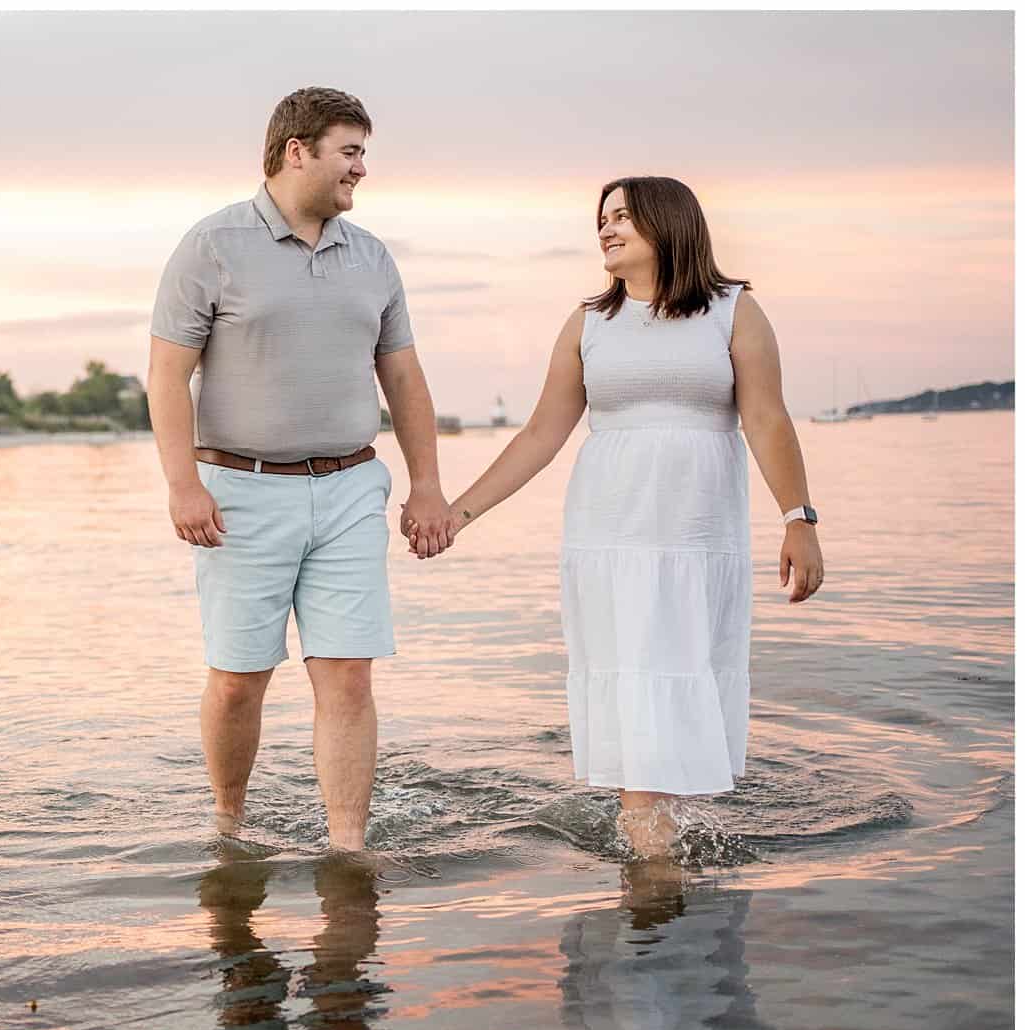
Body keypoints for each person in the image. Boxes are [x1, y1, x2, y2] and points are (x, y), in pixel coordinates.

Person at [434, 176, 824, 858]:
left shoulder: (733, 310)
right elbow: (540, 435)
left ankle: (655, 851)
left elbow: (767, 418)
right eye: (603, 219)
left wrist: (799, 518)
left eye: (622, 217)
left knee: (675, 676)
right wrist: (459, 512)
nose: (606, 229)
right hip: (610, 535)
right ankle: (654, 864)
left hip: (695, 537)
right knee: (636, 677)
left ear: (667, 223)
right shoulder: (589, 322)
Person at [148, 86, 455, 853]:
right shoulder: (212, 246)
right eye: (350, 152)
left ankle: (347, 848)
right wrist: (183, 484)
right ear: (297, 150)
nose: (361, 169)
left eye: (362, 154)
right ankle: (228, 822)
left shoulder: (373, 257)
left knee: (348, 673)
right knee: (238, 679)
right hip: (240, 495)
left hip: (351, 489)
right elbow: (166, 375)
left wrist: (426, 485)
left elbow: (404, 378)